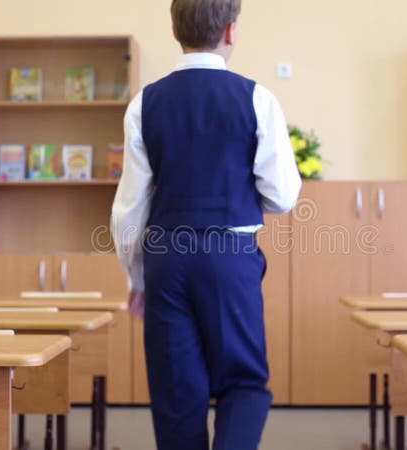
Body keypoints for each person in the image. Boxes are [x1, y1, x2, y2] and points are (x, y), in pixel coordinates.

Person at [111, 0, 301, 448]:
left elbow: (129, 208)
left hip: (165, 260)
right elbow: (283, 194)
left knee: (177, 391)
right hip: (230, 257)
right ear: (231, 31)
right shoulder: (257, 98)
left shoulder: (145, 103)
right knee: (244, 383)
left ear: (175, 29)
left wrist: (137, 277)